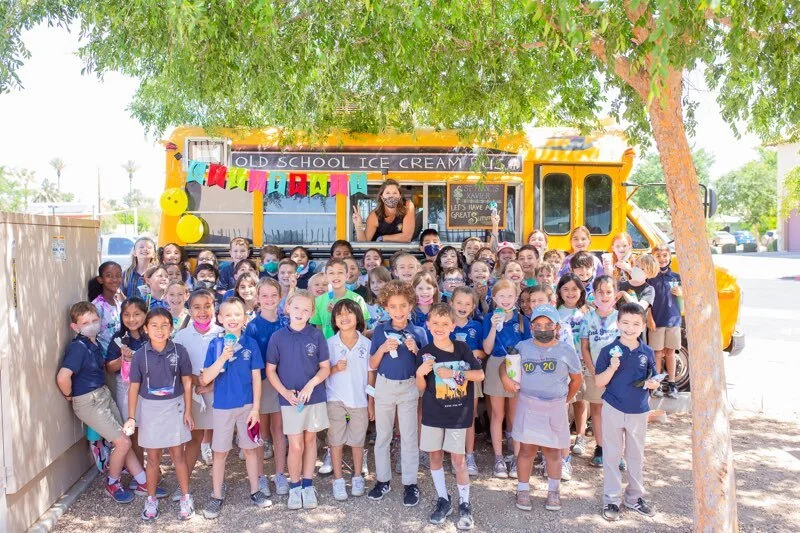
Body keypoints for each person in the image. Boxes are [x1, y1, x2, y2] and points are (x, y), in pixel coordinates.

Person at [56, 302, 146, 504]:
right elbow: (63, 377)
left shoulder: (94, 343)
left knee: (124, 439)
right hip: (89, 401)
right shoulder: (79, 347)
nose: (91, 325)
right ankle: (112, 483)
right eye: (85, 322)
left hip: (102, 395)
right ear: (75, 327)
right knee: (123, 442)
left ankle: (143, 481)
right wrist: (70, 396)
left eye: (94, 320)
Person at [499, 305, 582, 513]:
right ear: (531, 327)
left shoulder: (566, 350)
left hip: (555, 407)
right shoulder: (523, 347)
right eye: (537, 325)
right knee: (526, 450)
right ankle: (523, 489)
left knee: (553, 452)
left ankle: (554, 492)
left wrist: (565, 400)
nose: (543, 329)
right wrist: (505, 378)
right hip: (528, 405)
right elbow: (505, 364)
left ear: (557, 327)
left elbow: (576, 379)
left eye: (548, 325)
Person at [200, 298, 270, 519]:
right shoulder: (215, 344)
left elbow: (256, 378)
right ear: (220, 318)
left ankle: (255, 491)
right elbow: (205, 379)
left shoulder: (251, 344)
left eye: (237, 314)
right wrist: (222, 357)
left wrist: (256, 408)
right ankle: (216, 495)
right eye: (227, 315)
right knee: (220, 452)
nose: (233, 319)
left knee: (250, 449)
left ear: (245, 318)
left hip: (247, 406)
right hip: (222, 406)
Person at [416, 304, 484, 529]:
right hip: (433, 413)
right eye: (435, 323)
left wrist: (454, 373)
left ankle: (465, 503)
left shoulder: (461, 348)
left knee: (458, 460)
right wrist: (420, 374)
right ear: (428, 324)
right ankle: (443, 500)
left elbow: (479, 375)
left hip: (457, 413)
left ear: (453, 326)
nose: (439, 327)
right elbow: (420, 388)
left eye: (445, 323)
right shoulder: (424, 352)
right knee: (435, 457)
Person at [124, 308, 194, 521]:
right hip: (150, 409)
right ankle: (151, 498)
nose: (159, 330)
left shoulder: (180, 351)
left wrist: (188, 411)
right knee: (153, 458)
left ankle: (186, 497)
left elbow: (187, 382)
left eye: (164, 325)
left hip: (175, 407)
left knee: (178, 455)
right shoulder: (140, 355)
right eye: (154, 325)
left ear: (171, 328)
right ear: (146, 329)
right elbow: (134, 387)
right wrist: (131, 417)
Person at [266, 290, 331, 510]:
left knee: (310, 441)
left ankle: (307, 484)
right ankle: (294, 485)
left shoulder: (316, 336)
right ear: (287, 308)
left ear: (312, 313)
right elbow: (271, 370)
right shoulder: (278, 337)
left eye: (305, 309)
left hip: (314, 397)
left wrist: (312, 384)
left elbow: (325, 368)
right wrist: (285, 392)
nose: (300, 313)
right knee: (295, 445)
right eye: (296, 307)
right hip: (291, 400)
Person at [595, 303, 660, 521]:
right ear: (617, 323)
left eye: (635, 324)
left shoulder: (647, 352)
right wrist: (612, 368)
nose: (630, 328)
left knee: (635, 456)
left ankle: (634, 498)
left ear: (643, 326)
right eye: (625, 323)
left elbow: (654, 377)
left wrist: (654, 384)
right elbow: (599, 382)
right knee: (612, 455)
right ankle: (611, 499)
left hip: (638, 411)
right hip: (613, 407)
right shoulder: (608, 351)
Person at [367, 280, 428, 507]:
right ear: (386, 307)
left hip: (409, 387)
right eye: (393, 306)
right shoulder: (380, 331)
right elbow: (372, 364)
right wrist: (383, 349)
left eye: (403, 305)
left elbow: (426, 364)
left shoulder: (419, 331)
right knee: (383, 435)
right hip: (384, 386)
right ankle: (383, 480)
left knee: (409, 436)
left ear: (411, 305)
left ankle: (410, 483)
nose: (399, 311)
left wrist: (417, 350)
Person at [481, 279, 531, 479]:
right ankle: (498, 458)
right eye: (501, 296)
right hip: (495, 363)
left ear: (516, 297)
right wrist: (494, 326)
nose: (506, 299)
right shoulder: (488, 318)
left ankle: (517, 456)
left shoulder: (522, 320)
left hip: (517, 364)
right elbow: (486, 349)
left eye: (510, 295)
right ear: (494, 298)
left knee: (515, 414)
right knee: (497, 414)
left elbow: (528, 347)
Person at [173, 289, 222, 493]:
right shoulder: (182, 336)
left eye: (207, 306)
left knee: (220, 442)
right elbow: (177, 367)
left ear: (214, 307)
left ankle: (218, 484)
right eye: (196, 307)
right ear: (189, 309)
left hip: (219, 392)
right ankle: (183, 485)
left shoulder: (222, 333)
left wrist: (211, 384)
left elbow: (230, 366)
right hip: (193, 394)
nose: (202, 311)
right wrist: (195, 381)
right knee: (194, 440)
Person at [244, 278, 289, 496]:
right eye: (264, 295)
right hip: (261, 383)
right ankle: (260, 475)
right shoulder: (252, 327)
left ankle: (280, 473)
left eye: (273, 295)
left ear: (280, 297)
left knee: (279, 430)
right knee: (260, 432)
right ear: (257, 298)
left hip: (283, 383)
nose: (269, 299)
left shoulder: (287, 322)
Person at [325, 300, 373, 501]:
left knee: (357, 440)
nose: (344, 317)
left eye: (349, 313)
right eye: (339, 314)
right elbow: (323, 371)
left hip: (359, 400)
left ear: (358, 317)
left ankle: (357, 476)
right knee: (335, 440)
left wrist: (371, 402)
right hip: (334, 398)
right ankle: (338, 479)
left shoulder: (367, 344)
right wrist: (335, 368)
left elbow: (371, 373)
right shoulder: (329, 344)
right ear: (334, 320)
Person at [580, 276, 620, 469]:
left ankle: (617, 451)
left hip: (618, 374)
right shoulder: (588, 318)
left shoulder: (620, 317)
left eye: (609, 292)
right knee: (597, 410)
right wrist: (592, 369)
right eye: (600, 292)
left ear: (615, 294)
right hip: (595, 372)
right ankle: (601, 447)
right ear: (593, 294)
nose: (604, 296)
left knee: (616, 412)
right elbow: (584, 347)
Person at [105, 297, 149, 466]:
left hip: (150, 389)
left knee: (151, 429)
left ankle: (153, 466)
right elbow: (109, 367)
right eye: (126, 314)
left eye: (136, 314)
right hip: (126, 390)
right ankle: (141, 471)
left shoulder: (152, 335)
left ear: (145, 314)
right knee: (134, 431)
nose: (131, 319)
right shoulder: (119, 338)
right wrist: (123, 359)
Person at [448, 287, 486, 478]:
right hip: (448, 379)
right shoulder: (446, 324)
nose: (463, 307)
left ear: (472, 307)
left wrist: (475, 354)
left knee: (469, 416)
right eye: (459, 303)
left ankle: (469, 455)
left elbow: (484, 351)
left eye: (467, 304)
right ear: (451, 303)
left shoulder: (477, 327)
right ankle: (455, 456)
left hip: (471, 377)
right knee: (452, 416)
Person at [556, 274, 590, 457]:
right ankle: (561, 438)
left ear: (581, 291)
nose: (570, 293)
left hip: (580, 360)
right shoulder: (555, 311)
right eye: (566, 289)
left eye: (574, 289)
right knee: (563, 400)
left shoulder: (586, 311)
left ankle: (580, 436)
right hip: (560, 362)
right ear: (559, 291)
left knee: (580, 399)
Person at [649, 245, 683, 398]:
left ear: (669, 257)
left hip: (673, 320)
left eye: (665, 255)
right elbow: (647, 301)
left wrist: (681, 293)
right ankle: (656, 384)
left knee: (670, 352)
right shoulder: (650, 278)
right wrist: (649, 318)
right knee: (657, 352)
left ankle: (672, 384)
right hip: (656, 321)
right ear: (653, 258)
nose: (662, 259)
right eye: (658, 256)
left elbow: (687, 296)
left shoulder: (676, 277)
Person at [310, 259, 371, 339]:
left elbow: (363, 328)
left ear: (347, 276)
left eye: (340, 272)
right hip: (328, 345)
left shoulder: (357, 299)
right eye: (331, 273)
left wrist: (337, 312)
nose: (336, 276)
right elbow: (319, 329)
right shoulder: (318, 301)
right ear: (326, 277)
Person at [90, 261, 124, 354]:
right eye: (109, 276)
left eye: (118, 275)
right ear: (101, 279)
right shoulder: (97, 306)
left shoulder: (118, 303)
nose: (115, 279)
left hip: (119, 354)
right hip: (104, 357)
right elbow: (91, 337)